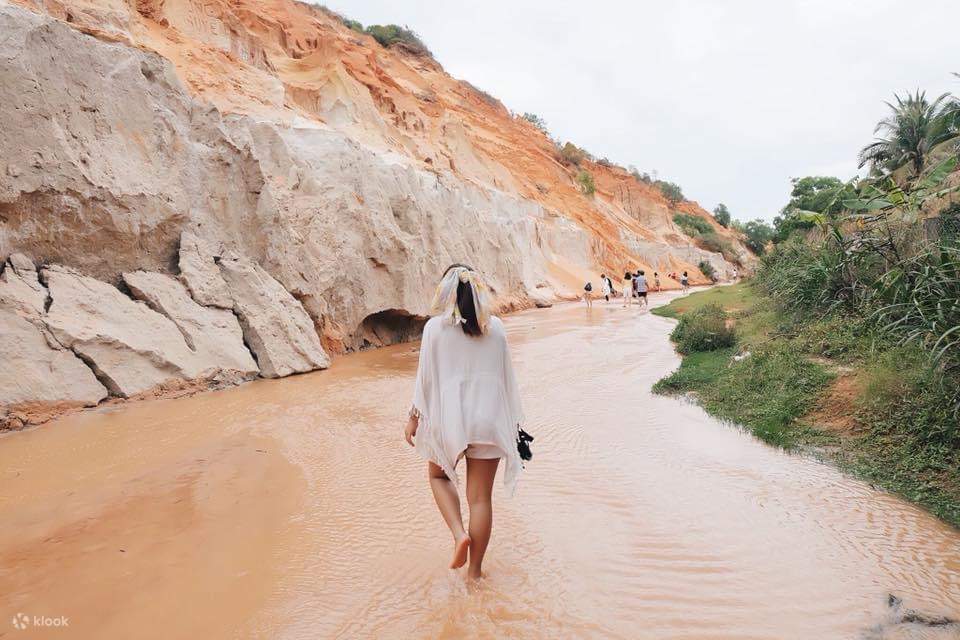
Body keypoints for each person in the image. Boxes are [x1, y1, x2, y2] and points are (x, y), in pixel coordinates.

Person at [404, 264, 525, 580]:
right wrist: (511, 426)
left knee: (438, 477)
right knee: (481, 498)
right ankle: (474, 573)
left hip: (452, 419)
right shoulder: (496, 327)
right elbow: (506, 379)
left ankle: (459, 534)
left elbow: (426, 380)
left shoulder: (435, 328)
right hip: (489, 419)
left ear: (447, 293)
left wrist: (413, 419)